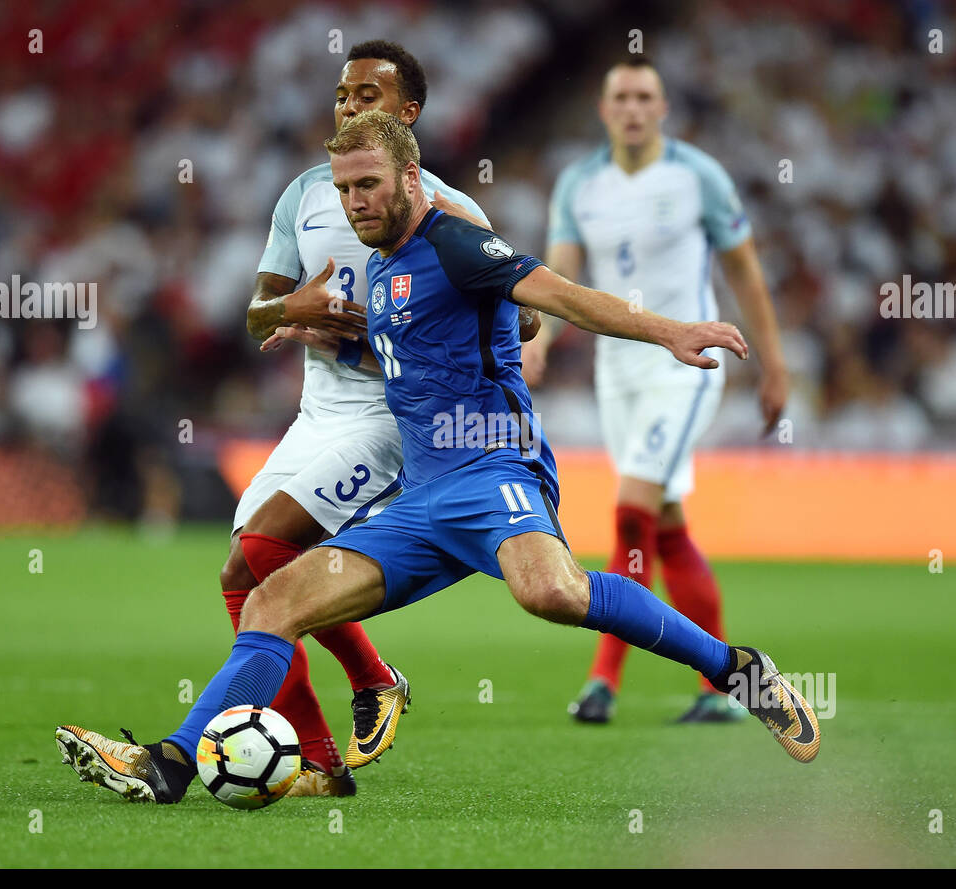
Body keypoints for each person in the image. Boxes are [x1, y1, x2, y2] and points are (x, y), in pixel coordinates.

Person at [59, 109, 817, 804]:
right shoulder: (383, 273)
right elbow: (415, 360)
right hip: (420, 501)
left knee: (549, 593)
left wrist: (668, 330)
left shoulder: (454, 240)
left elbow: (556, 293)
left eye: (369, 185)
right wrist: (326, 334)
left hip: (494, 473)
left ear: (410, 179)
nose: (354, 201)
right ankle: (169, 763)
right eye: (344, 188)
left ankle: (736, 670)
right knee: (271, 600)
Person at [55, 40, 532, 803]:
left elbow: (521, 323)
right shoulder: (306, 195)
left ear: (408, 115)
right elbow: (256, 313)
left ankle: (193, 750)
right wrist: (295, 310)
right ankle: (325, 761)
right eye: (344, 94)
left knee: (270, 541)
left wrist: (391, 327)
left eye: (369, 96)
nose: (349, 106)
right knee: (241, 573)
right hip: (318, 410)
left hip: (392, 415)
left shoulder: (450, 210)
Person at [523, 55, 790, 725]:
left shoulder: (698, 176)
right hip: (619, 373)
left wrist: (775, 364)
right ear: (604, 108)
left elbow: (745, 271)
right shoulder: (578, 185)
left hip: (686, 366)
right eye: (623, 96)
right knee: (664, 527)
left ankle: (601, 681)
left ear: (663, 108)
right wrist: (543, 340)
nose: (634, 107)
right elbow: (563, 276)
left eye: (646, 96)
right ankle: (726, 687)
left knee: (631, 512)